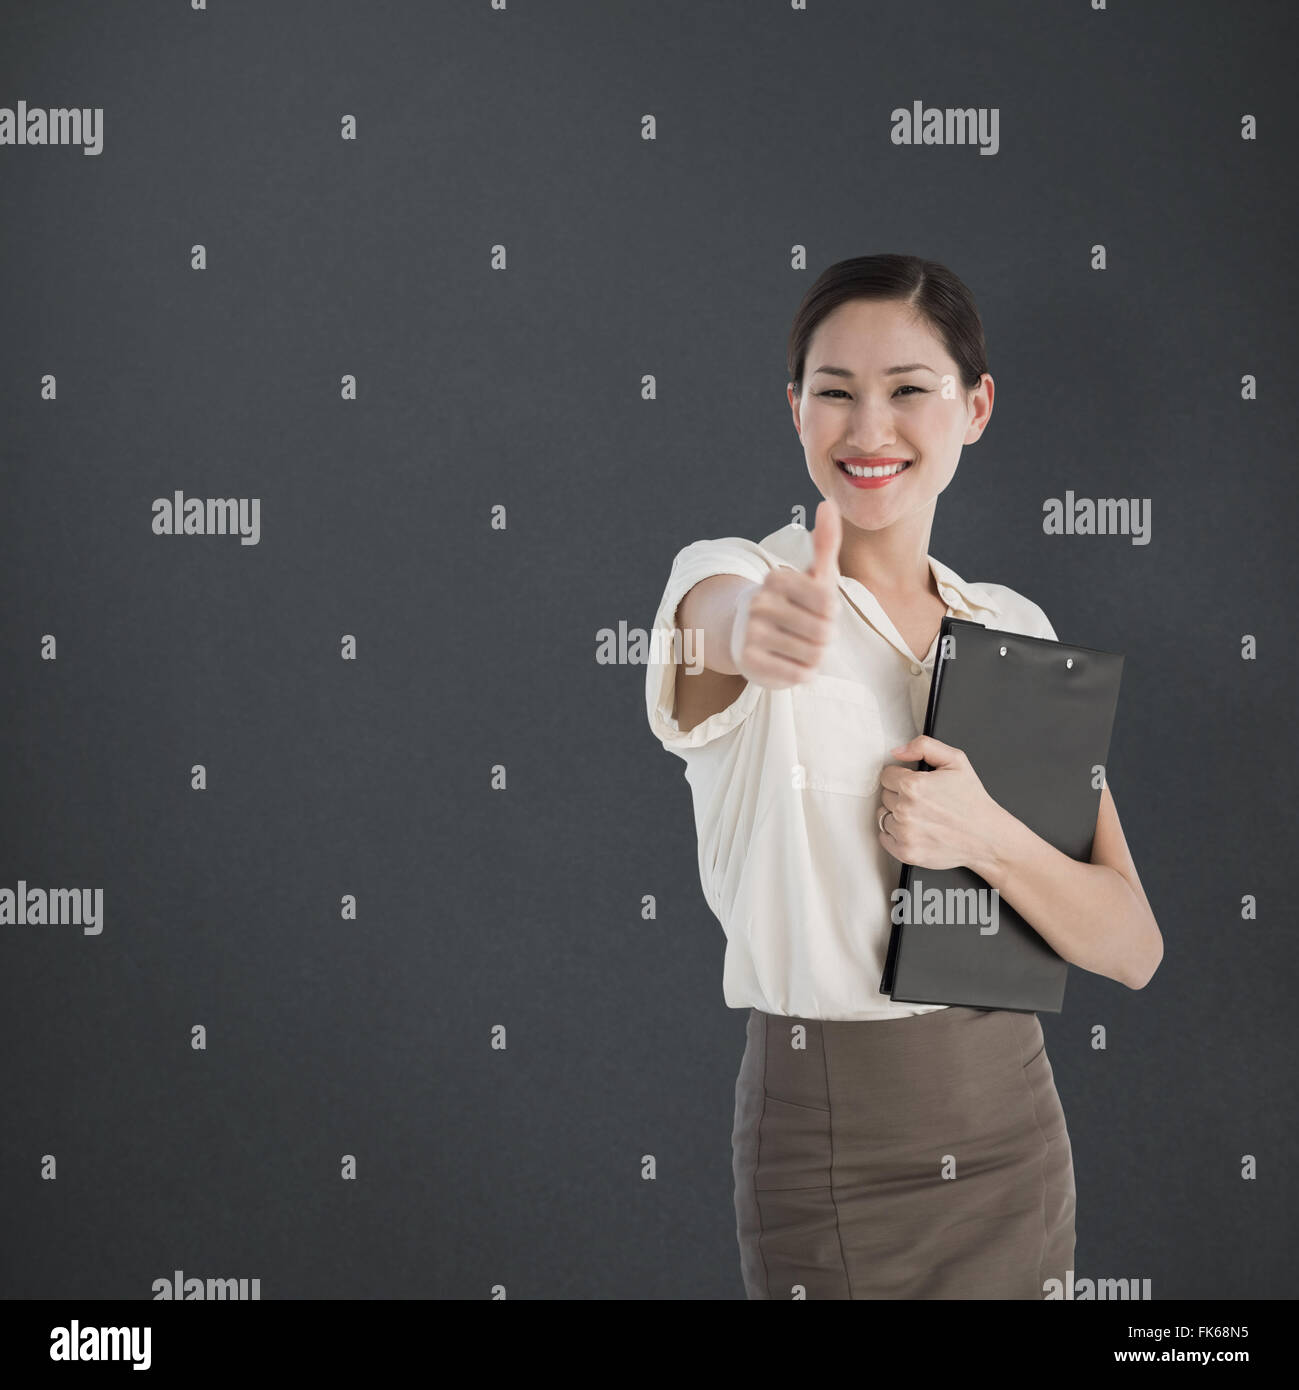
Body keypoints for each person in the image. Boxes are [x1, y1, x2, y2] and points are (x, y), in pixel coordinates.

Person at [643, 253, 1163, 1299]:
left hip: (1017, 1125)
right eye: (834, 392)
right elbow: (713, 633)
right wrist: (760, 634)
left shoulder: (1014, 629)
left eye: (909, 390)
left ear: (975, 407)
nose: (869, 429)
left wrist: (984, 837)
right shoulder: (739, 576)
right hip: (834, 1143)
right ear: (795, 412)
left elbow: (1131, 946)